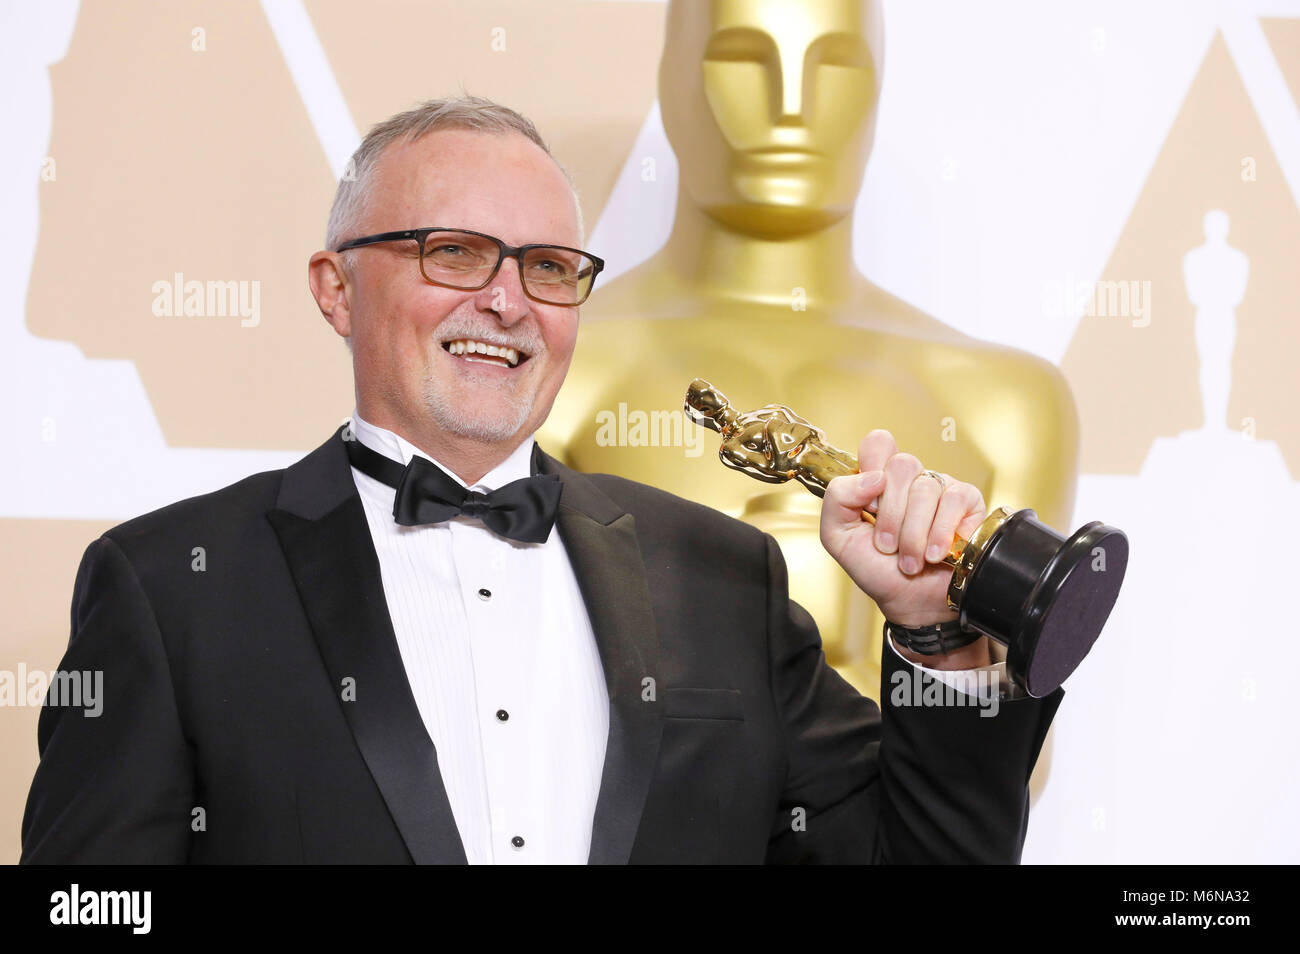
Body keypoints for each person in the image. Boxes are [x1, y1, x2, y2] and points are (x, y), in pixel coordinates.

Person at [21, 97, 1061, 864]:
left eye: (549, 266)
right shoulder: (171, 588)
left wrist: (933, 638)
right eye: (455, 252)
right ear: (336, 290)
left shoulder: (719, 577)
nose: (508, 302)